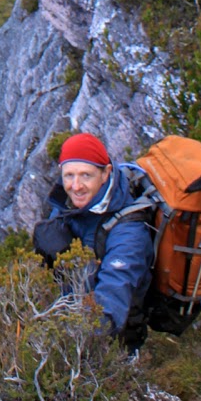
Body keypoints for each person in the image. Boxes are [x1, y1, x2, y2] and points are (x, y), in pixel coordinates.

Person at [36, 131, 155, 345]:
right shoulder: (68, 206)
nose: (76, 185)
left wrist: (57, 344)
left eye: (86, 175)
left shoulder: (128, 233)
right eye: (69, 175)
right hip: (68, 318)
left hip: (114, 347)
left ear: (106, 173)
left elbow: (109, 309)